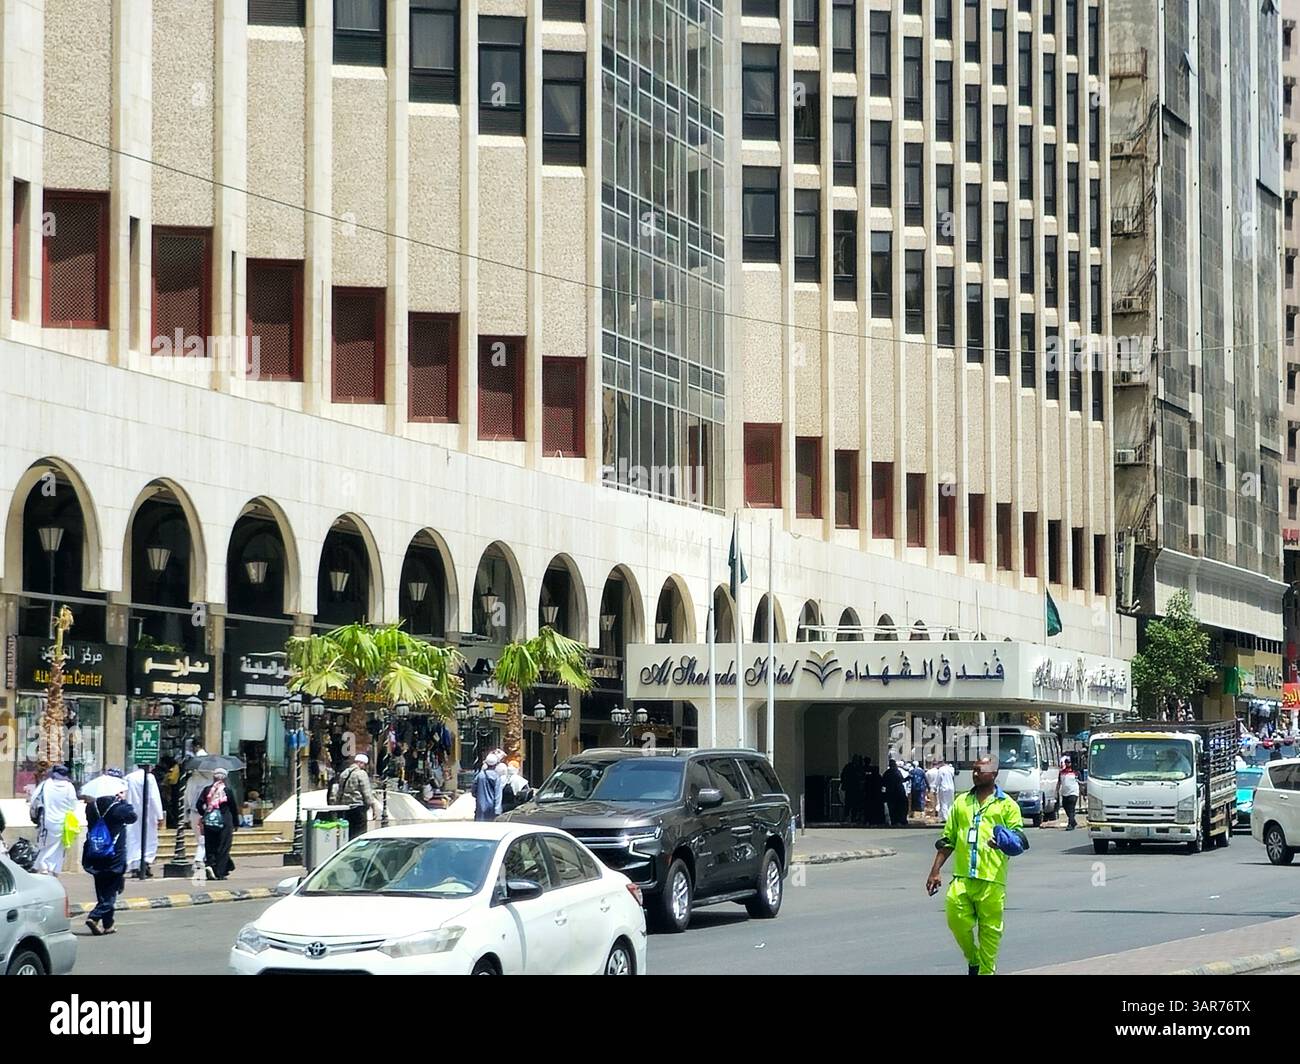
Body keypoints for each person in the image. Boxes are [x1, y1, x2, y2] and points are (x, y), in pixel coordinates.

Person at [926, 755, 1029, 975]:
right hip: (962, 878)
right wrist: (935, 871)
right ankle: (973, 959)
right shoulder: (961, 802)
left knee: (990, 933)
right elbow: (948, 839)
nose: (974, 774)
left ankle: (985, 971)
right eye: (973, 769)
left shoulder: (1007, 805)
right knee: (956, 920)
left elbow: (1019, 840)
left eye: (979, 770)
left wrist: (1003, 842)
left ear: (994, 774)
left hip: (992, 880)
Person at [83, 772, 138, 936]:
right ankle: (94, 916)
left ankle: (108, 924)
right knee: (112, 890)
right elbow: (132, 817)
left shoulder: (91, 807)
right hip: (114, 854)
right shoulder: (118, 808)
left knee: (102, 889)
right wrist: (123, 801)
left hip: (95, 852)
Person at [29, 764, 81, 875]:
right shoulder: (69, 787)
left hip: (46, 821)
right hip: (62, 821)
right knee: (58, 846)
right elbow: (73, 805)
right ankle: (52, 868)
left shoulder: (45, 785)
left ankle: (43, 866)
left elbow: (33, 799)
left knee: (44, 844)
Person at [196, 768, 240, 880]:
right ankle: (220, 872)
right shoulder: (227, 791)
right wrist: (236, 823)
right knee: (223, 847)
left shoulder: (207, 790)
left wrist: (205, 814)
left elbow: (199, 804)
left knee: (210, 845)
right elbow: (233, 808)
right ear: (224, 778)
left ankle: (210, 865)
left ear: (213, 777)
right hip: (224, 822)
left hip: (209, 822)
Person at [124, 765, 164, 877]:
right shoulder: (149, 778)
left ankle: (134, 865)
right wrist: (159, 815)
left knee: (133, 838)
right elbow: (154, 797)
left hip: (131, 812)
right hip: (148, 813)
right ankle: (144, 863)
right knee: (148, 838)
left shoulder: (129, 777)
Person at [334, 753, 382, 840]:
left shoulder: (344, 773)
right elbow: (367, 793)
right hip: (358, 807)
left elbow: (339, 792)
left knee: (350, 832)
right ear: (361, 763)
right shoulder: (361, 774)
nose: (364, 767)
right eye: (364, 765)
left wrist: (337, 806)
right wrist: (373, 808)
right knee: (360, 833)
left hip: (346, 808)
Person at [473, 753, 503, 821]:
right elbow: (498, 794)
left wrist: (477, 795)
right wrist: (497, 809)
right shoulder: (496, 777)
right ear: (495, 764)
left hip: (480, 805)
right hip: (491, 806)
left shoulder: (480, 775)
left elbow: (474, 789)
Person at [1057, 757, 1081, 830]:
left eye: (1069, 762)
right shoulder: (1061, 772)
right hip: (1065, 793)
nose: (1068, 764)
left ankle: (1070, 824)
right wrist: (1056, 791)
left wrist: (1083, 794)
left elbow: (1080, 782)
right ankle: (1073, 821)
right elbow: (1059, 783)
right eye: (1067, 762)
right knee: (1065, 807)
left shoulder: (1075, 772)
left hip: (1073, 792)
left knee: (1071, 808)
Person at [883, 758, 909, 826]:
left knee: (893, 808)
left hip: (891, 793)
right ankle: (899, 820)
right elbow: (901, 780)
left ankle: (894, 820)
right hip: (897, 793)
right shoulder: (896, 772)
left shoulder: (888, 773)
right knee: (899, 807)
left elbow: (884, 783)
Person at [862, 757, 886, 826]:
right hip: (877, 795)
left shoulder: (869, 778)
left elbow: (865, 786)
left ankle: (869, 820)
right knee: (877, 809)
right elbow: (883, 784)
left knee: (869, 809)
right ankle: (877, 821)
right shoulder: (878, 777)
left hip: (870, 795)